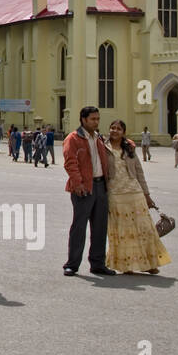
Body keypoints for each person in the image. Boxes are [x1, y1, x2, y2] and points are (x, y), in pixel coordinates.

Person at [104, 119, 171, 275]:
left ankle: (150, 264)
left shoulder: (130, 148)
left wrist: (147, 194)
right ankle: (126, 264)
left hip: (134, 192)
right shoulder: (103, 147)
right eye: (112, 128)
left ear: (124, 132)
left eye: (118, 128)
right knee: (123, 230)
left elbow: (139, 173)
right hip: (115, 193)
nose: (114, 131)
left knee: (144, 229)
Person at [62, 105, 116, 276]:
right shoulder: (74, 138)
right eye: (93, 119)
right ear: (83, 120)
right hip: (83, 187)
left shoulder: (98, 137)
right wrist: (78, 184)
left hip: (100, 186)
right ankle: (72, 264)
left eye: (98, 119)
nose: (96, 122)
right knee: (79, 226)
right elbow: (70, 163)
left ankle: (97, 263)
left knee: (100, 227)